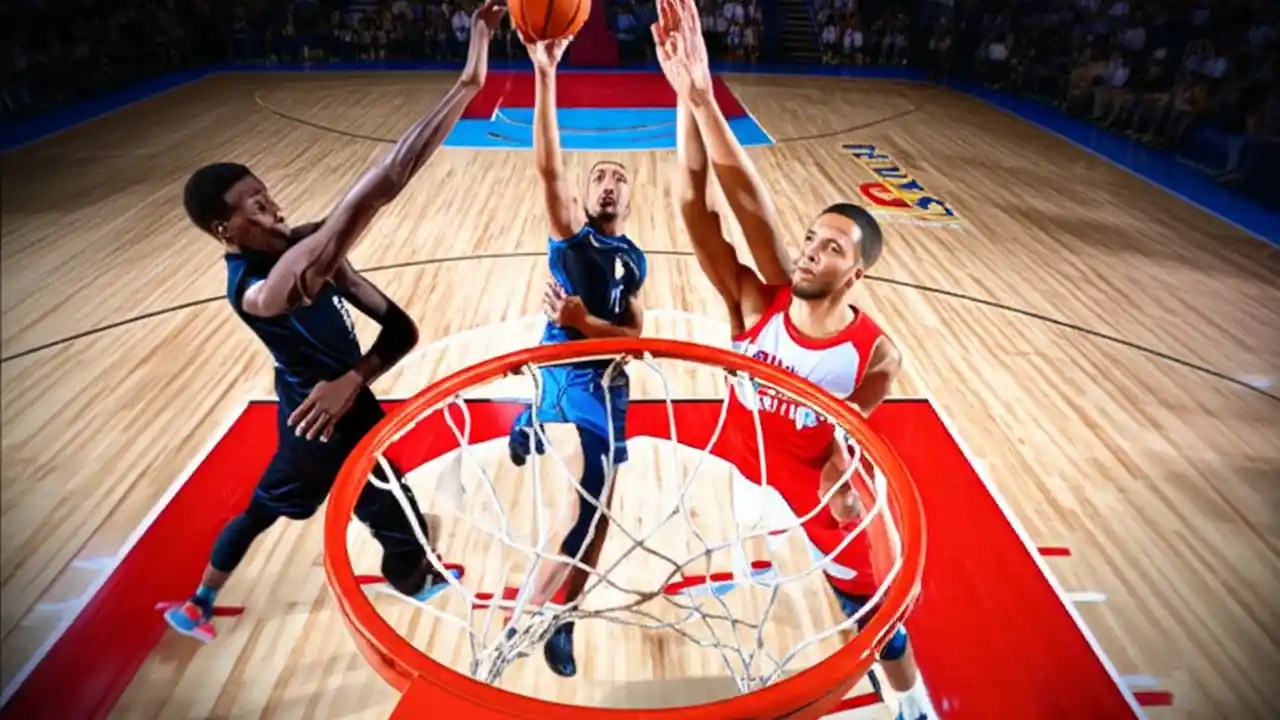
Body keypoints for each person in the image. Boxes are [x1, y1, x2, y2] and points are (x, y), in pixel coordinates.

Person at [163, 0, 506, 644]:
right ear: (224, 229)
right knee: (277, 510)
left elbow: (402, 331)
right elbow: (375, 189)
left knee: (384, 505)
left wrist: (355, 378)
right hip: (312, 427)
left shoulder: (315, 253)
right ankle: (201, 601)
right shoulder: (263, 290)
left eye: (266, 193)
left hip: (344, 404)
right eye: (253, 205)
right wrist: (466, 83)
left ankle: (406, 576)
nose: (271, 206)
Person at [653, 1, 938, 718]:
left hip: (812, 481)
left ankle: (910, 703)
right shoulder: (759, 302)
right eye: (812, 238)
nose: (811, 251)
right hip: (744, 465)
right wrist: (692, 97)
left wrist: (841, 463)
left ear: (855, 274)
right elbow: (702, 207)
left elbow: (854, 423)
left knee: (869, 612)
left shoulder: (872, 352)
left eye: (831, 248)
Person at [506, 32, 647, 678]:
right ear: (586, 196)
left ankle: (565, 619)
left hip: (612, 387)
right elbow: (548, 167)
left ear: (631, 199)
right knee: (580, 507)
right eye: (599, 177)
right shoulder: (572, 238)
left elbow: (636, 341)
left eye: (619, 179)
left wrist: (586, 321)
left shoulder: (634, 259)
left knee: (601, 520)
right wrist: (545, 73)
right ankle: (519, 626)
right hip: (568, 376)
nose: (608, 185)